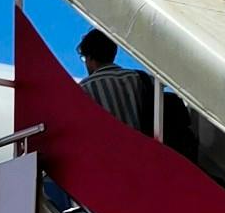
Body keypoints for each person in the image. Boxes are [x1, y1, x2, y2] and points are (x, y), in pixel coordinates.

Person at [77, 29, 199, 160]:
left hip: (109, 161)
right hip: (146, 158)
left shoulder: (83, 90)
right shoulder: (141, 79)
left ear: (89, 58)